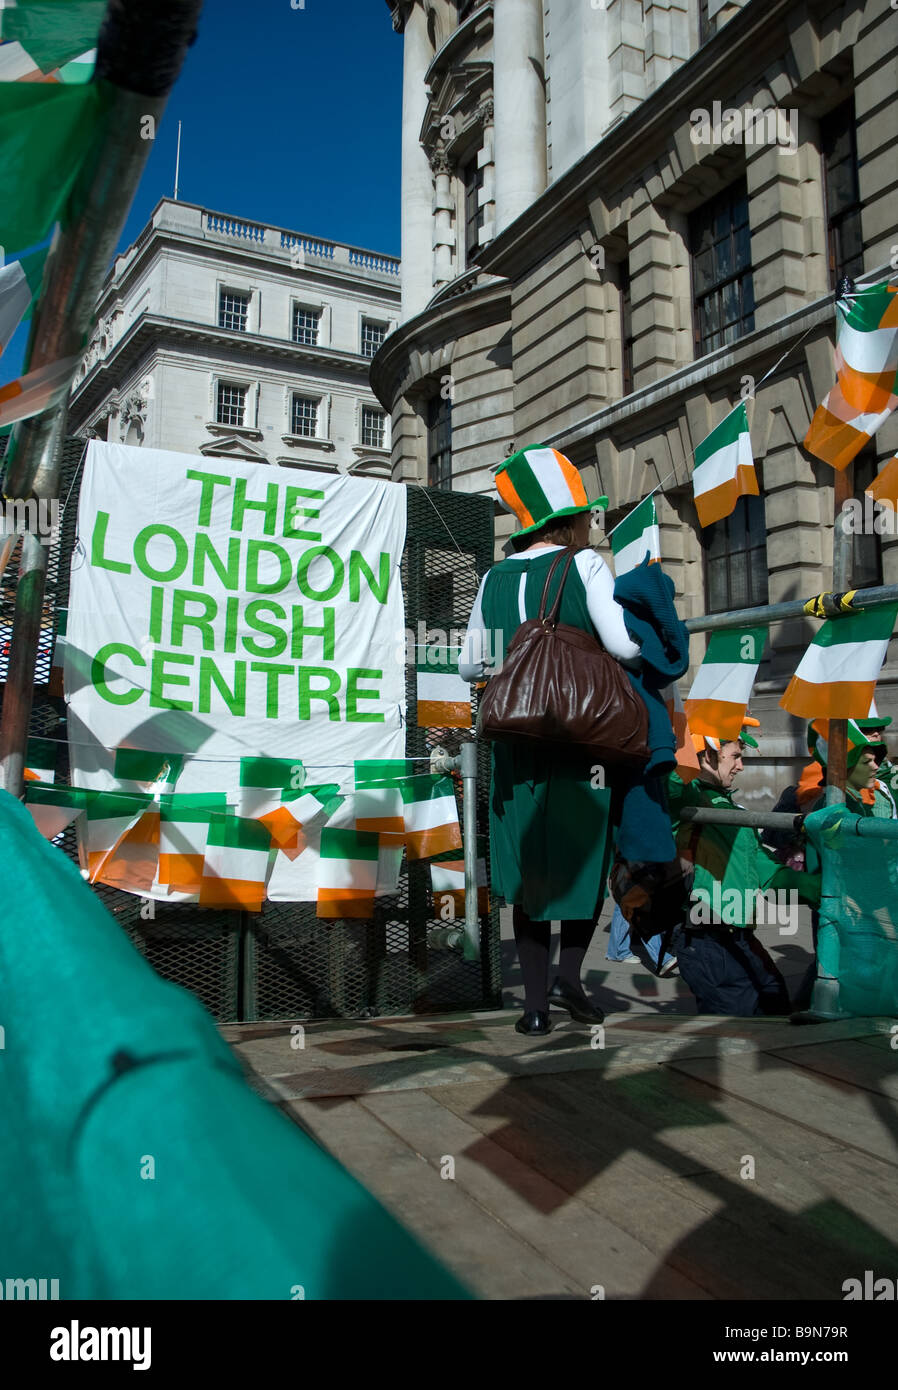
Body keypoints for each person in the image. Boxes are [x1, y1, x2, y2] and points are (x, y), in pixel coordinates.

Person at [459, 445, 642, 1035]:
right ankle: (570, 979)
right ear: (569, 520)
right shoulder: (583, 565)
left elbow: (470, 667)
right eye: (587, 516)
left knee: (528, 870)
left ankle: (534, 1007)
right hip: (579, 740)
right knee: (585, 862)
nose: (593, 523)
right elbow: (623, 647)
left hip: (514, 744)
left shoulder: (492, 576)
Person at [666, 722, 821, 1017]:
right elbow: (671, 783)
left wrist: (814, 887)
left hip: (737, 935)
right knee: (736, 1030)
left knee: (774, 1005)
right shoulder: (683, 797)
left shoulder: (730, 807)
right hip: (702, 937)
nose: (741, 766)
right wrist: (693, 741)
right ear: (707, 754)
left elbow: (765, 870)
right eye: (734, 756)